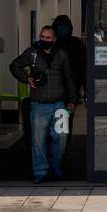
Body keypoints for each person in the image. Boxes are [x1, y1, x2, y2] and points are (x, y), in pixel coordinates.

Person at [9, 25, 78, 183]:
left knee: (61, 137)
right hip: (38, 105)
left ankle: (56, 164)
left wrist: (72, 101)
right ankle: (40, 172)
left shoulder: (61, 54)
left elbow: (69, 78)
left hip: (59, 104)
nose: (44, 40)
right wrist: (26, 78)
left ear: (54, 39)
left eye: (48, 38)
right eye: (42, 37)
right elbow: (14, 66)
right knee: (38, 141)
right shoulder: (31, 53)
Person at [52, 14, 88, 107]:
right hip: (69, 87)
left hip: (67, 87)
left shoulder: (77, 43)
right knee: (67, 116)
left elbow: (84, 67)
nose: (63, 30)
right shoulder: (77, 43)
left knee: (63, 115)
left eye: (65, 27)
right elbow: (84, 67)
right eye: (61, 27)